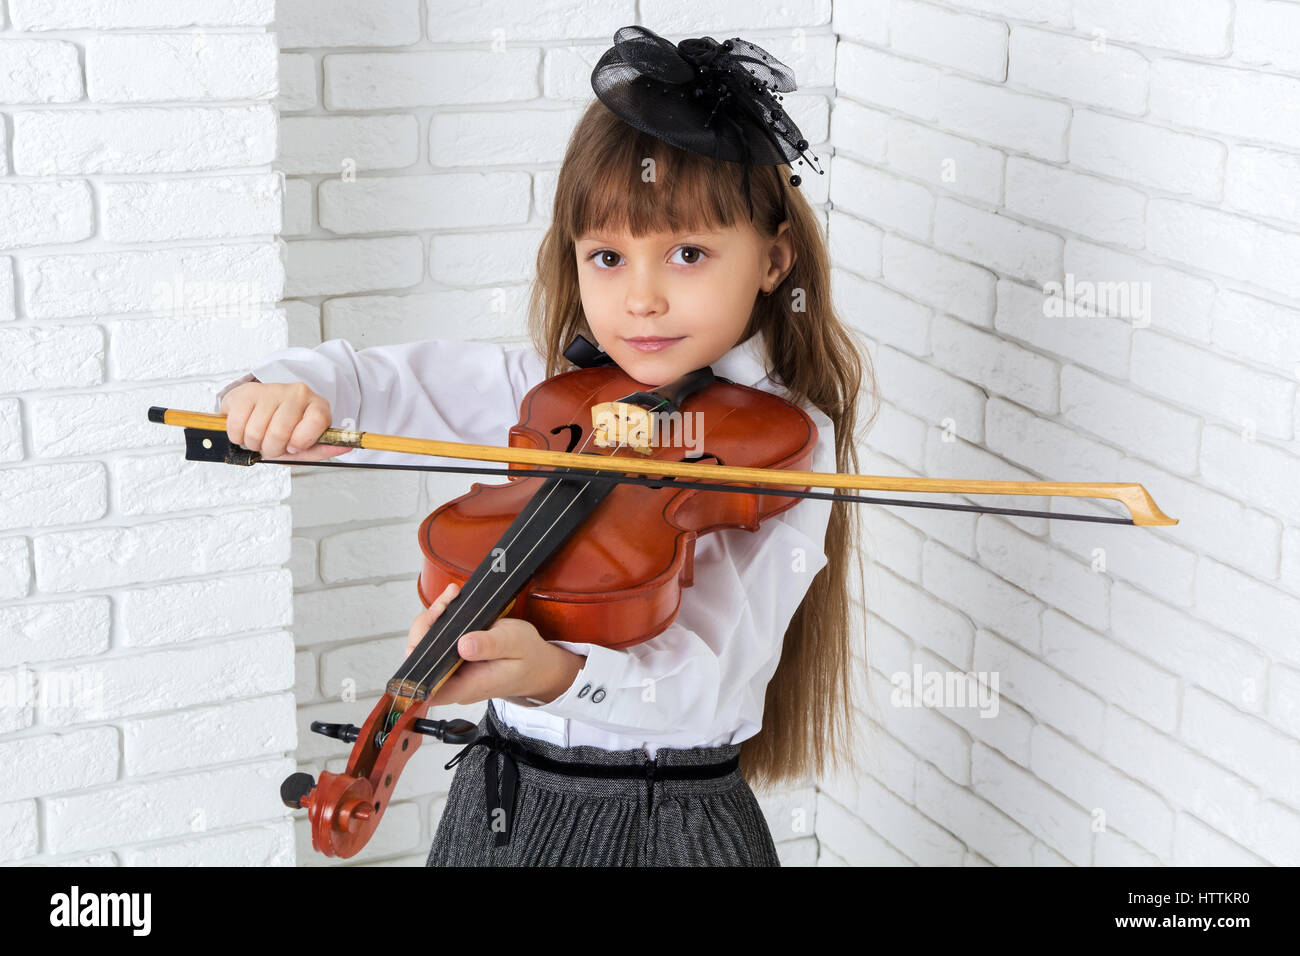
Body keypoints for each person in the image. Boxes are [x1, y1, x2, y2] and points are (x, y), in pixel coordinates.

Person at [216, 25, 873, 866]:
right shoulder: (552, 394)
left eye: (687, 253)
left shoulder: (779, 443)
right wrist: (279, 392)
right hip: (497, 804)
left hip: (664, 826)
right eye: (607, 255)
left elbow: (707, 679)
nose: (640, 300)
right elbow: (369, 380)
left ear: (774, 259)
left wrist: (558, 675)